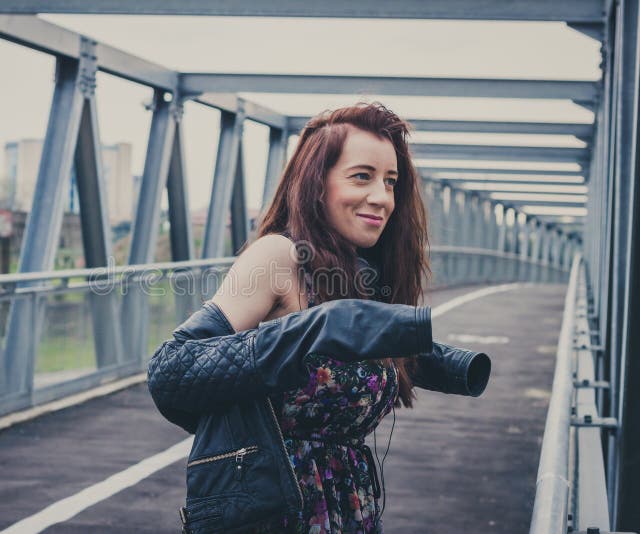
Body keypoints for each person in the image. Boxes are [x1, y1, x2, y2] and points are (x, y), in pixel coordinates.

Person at [147, 102, 491, 533]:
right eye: (362, 177)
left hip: (348, 509)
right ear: (316, 183)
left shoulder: (355, 273)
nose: (382, 198)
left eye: (391, 182)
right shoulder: (278, 256)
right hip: (277, 512)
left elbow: (338, 352)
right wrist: (322, 327)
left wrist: (443, 360)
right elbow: (172, 368)